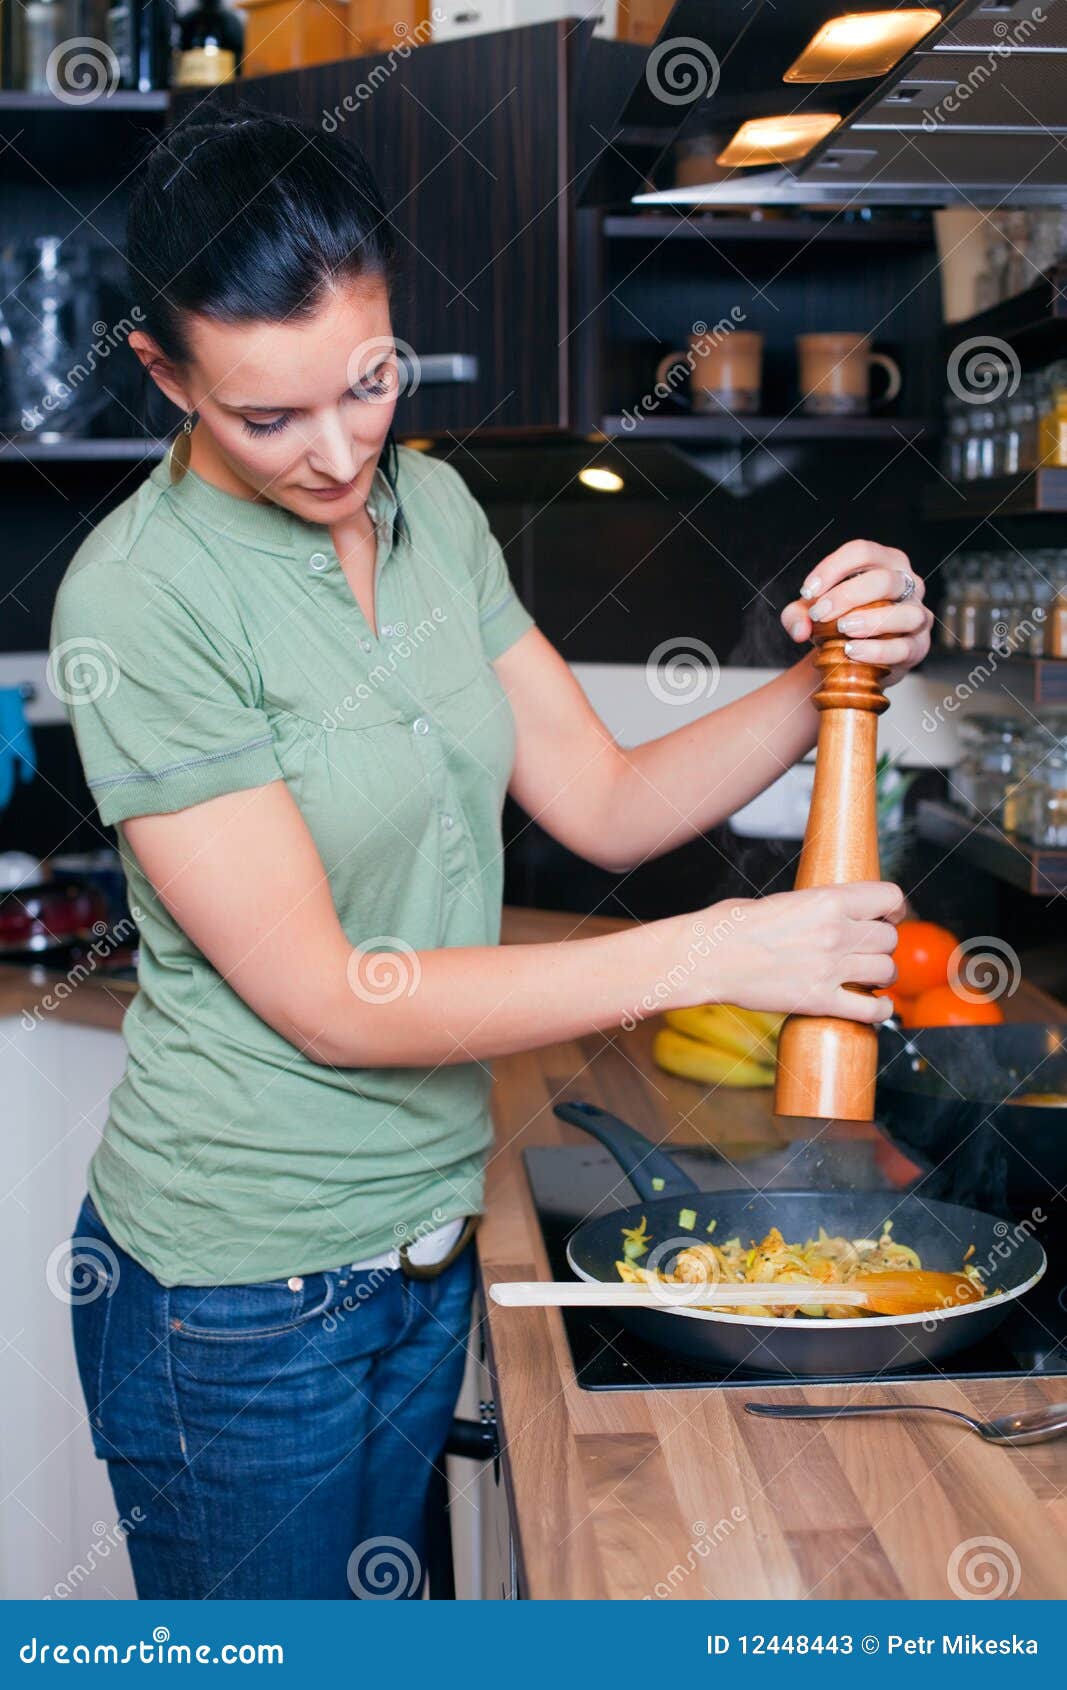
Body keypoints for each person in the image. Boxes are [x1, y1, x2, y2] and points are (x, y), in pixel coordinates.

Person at [50, 106, 932, 1600]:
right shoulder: (139, 604)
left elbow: (604, 801)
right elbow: (332, 995)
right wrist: (719, 949)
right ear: (164, 373)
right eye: (270, 417)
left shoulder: (436, 508)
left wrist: (839, 671)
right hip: (236, 1297)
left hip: (424, 1242)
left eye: (368, 381)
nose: (338, 451)